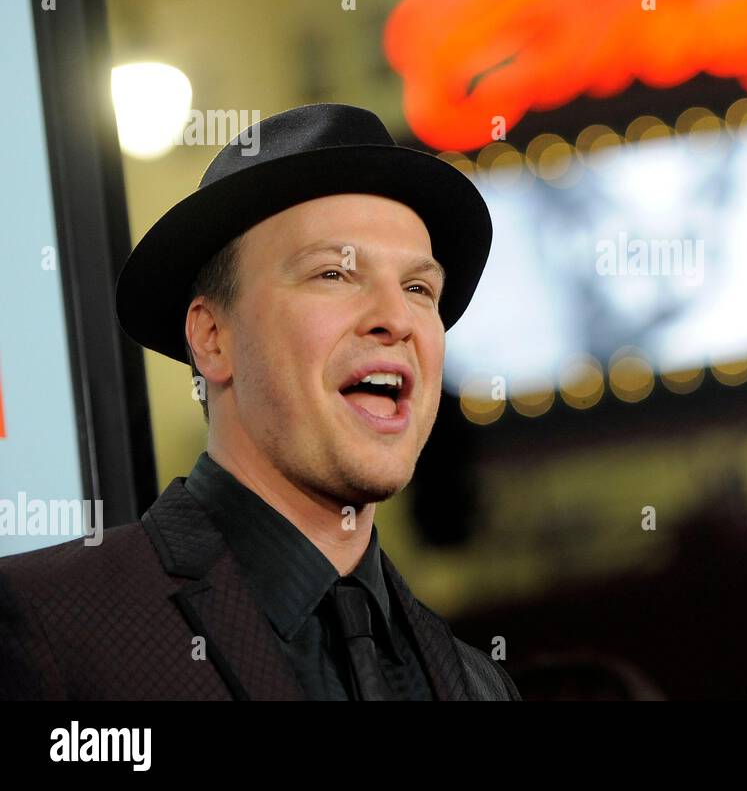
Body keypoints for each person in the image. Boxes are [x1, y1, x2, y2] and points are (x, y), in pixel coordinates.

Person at [0, 103, 518, 700]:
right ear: (212, 338)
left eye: (419, 288)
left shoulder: (481, 686)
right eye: (334, 274)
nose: (397, 319)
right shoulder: (48, 628)